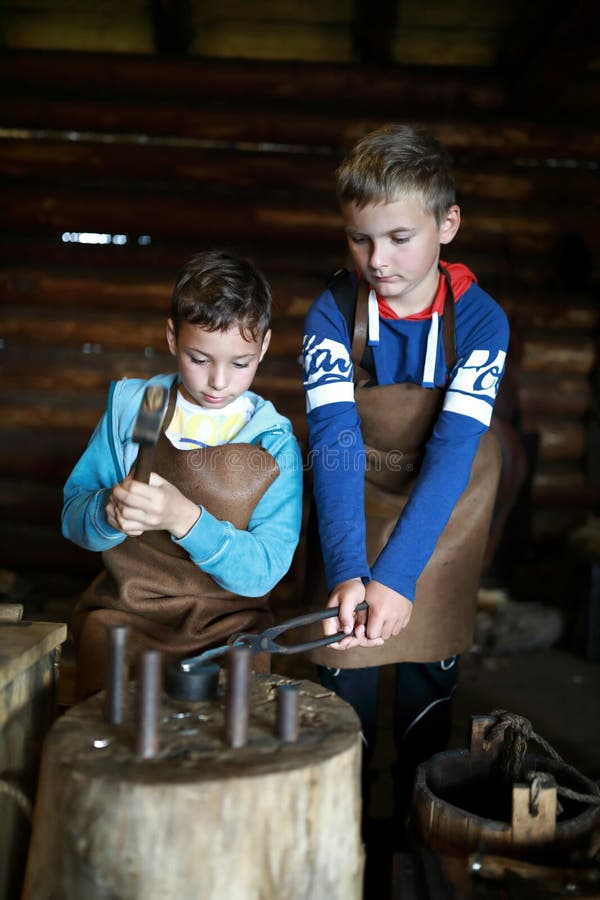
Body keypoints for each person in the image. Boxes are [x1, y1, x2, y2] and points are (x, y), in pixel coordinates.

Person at [301, 123, 509, 828]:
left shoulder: (481, 322)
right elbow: (333, 442)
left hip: (442, 511)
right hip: (350, 495)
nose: (377, 259)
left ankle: (414, 838)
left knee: (426, 703)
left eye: (398, 238)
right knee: (341, 691)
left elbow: (454, 450)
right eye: (360, 239)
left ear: (447, 224)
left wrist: (398, 575)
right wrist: (350, 567)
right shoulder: (333, 310)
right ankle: (348, 837)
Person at [63, 248, 303, 699]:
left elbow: (265, 572)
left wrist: (185, 520)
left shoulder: (271, 442)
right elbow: (73, 515)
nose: (218, 381)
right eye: (199, 358)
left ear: (264, 346)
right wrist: (106, 514)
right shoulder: (142, 409)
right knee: (101, 661)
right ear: (173, 337)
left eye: (240, 363)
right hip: (129, 614)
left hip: (230, 629)